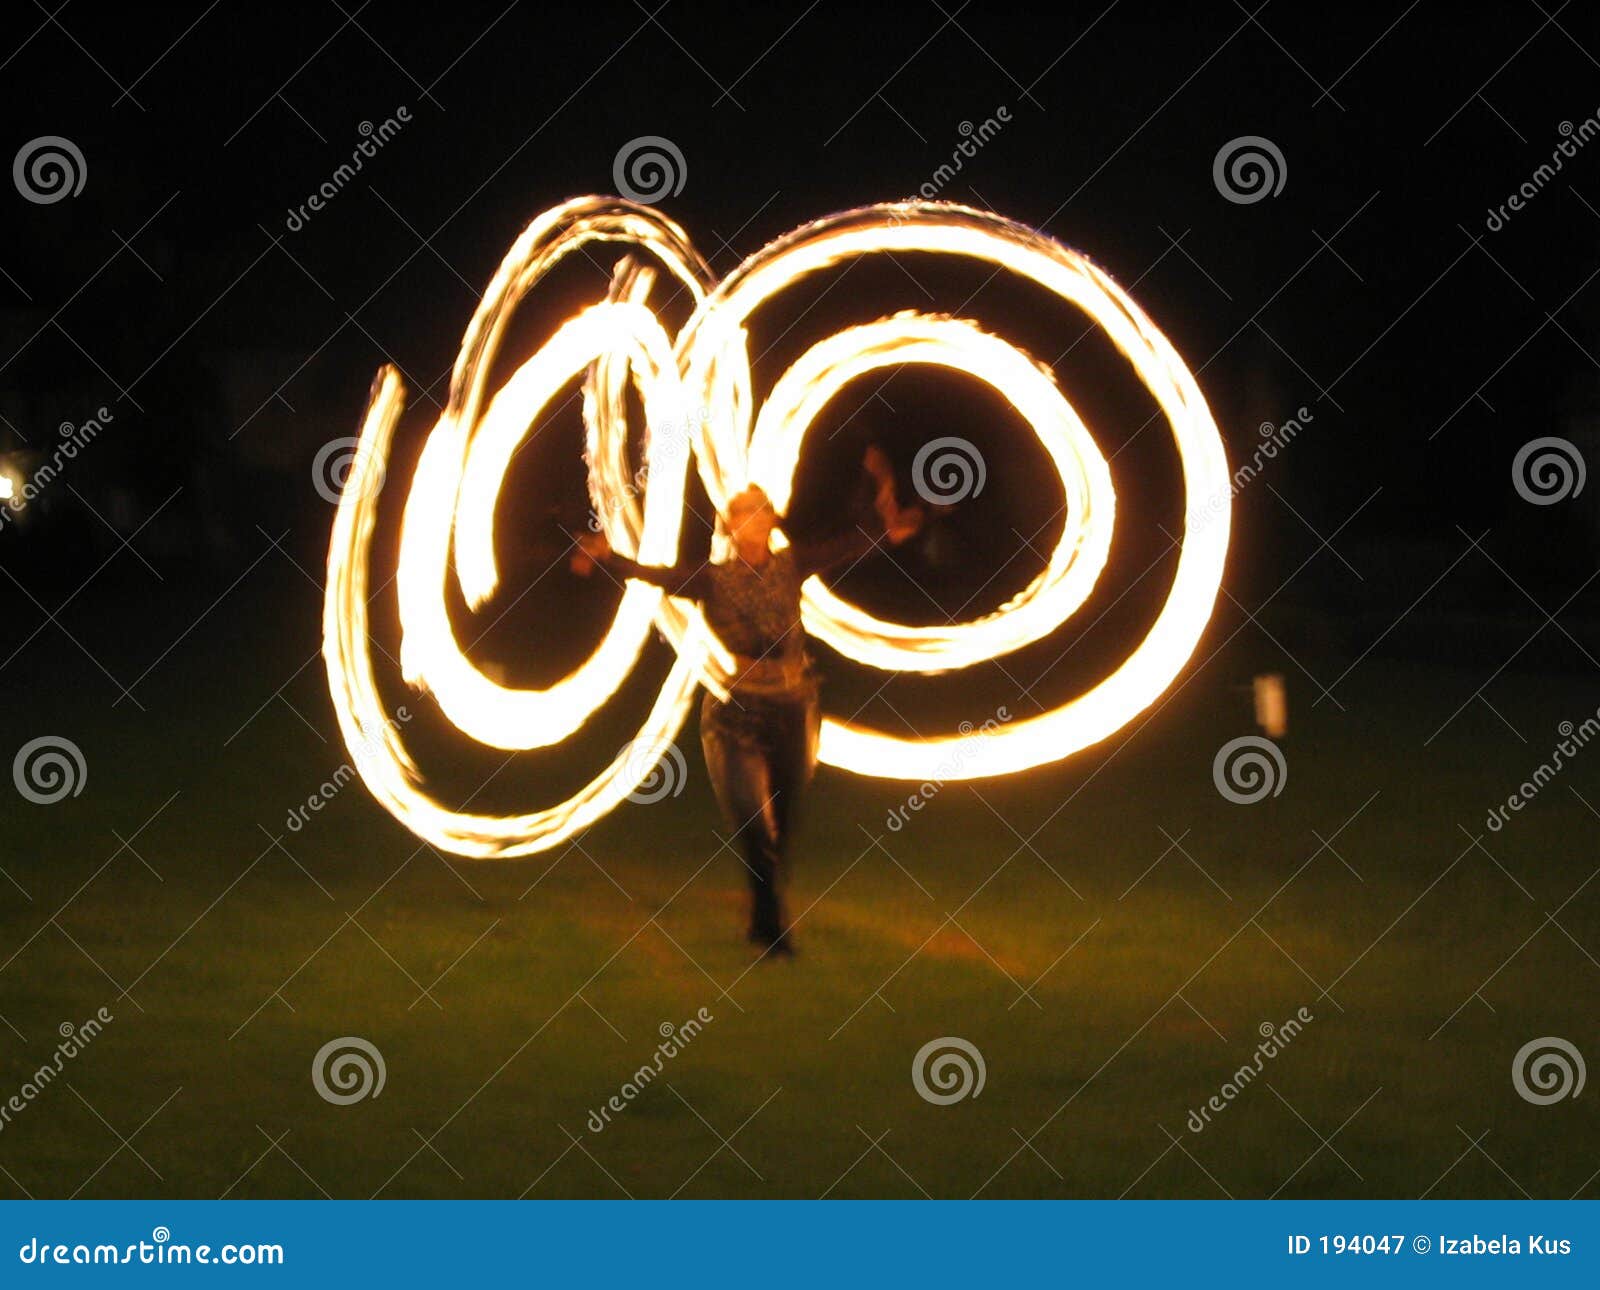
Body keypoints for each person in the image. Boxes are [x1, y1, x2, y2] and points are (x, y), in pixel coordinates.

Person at [570, 447, 925, 955]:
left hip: (795, 708)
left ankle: (765, 914)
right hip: (734, 714)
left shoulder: (792, 564)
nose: (751, 519)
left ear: (771, 522)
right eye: (741, 512)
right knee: (755, 824)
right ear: (731, 528)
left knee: (783, 824)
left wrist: (882, 489)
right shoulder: (713, 580)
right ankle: (771, 930)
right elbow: (658, 576)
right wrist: (608, 558)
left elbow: (857, 542)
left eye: (759, 509)